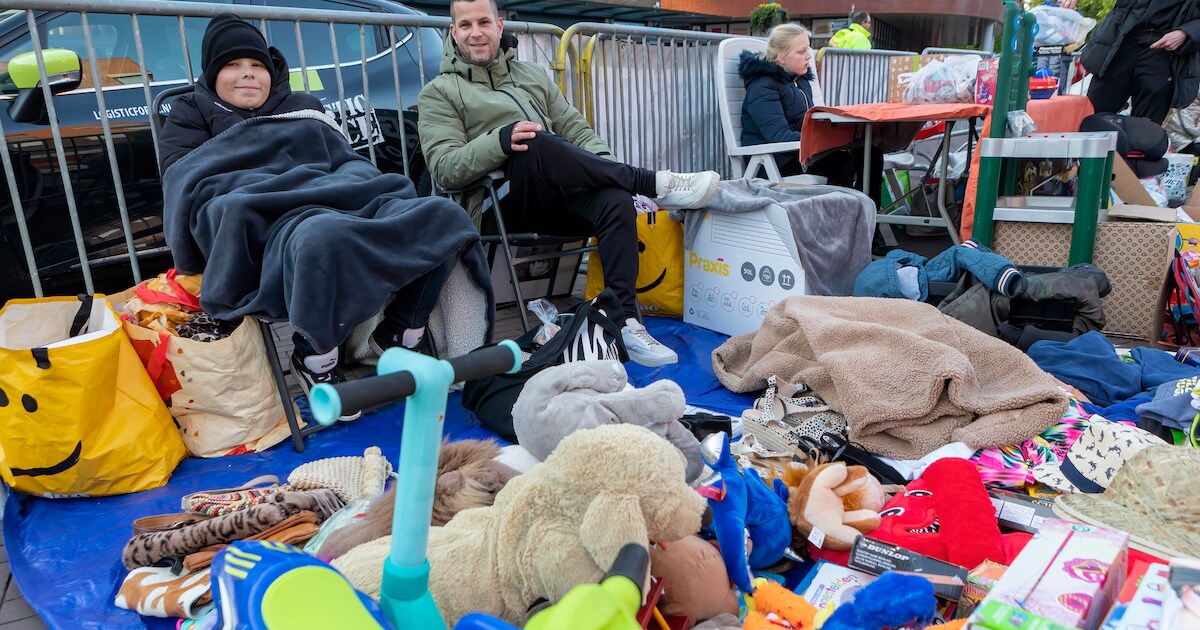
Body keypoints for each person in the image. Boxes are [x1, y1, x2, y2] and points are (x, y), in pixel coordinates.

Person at [161, 14, 488, 420]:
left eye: (257, 66)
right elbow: (190, 184)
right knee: (321, 237)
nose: (247, 75)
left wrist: (351, 183)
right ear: (213, 74)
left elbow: (343, 160)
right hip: (271, 219)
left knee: (442, 215)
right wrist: (258, 195)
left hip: (339, 196)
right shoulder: (190, 113)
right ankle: (315, 357)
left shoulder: (302, 107)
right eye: (232, 66)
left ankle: (402, 332)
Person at [418, 0, 722, 368]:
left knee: (612, 199)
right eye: (465, 25)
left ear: (499, 26)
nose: (476, 32)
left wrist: (607, 169)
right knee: (536, 141)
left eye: (483, 22)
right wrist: (500, 140)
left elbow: (577, 130)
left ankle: (623, 321)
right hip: (497, 203)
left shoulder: (532, 75)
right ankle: (650, 182)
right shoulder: (439, 92)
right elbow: (444, 167)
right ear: (453, 32)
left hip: (556, 195)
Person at [738, 23, 883, 206]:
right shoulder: (763, 86)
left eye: (808, 49)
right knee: (843, 162)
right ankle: (835, 224)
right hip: (774, 160)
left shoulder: (799, 81)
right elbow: (778, 137)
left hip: (798, 153)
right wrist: (826, 142)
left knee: (869, 153)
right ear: (782, 58)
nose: (809, 56)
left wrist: (837, 137)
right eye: (801, 51)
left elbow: (808, 124)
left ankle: (869, 221)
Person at [1066, 0, 1200, 124]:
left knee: (1146, 129)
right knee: (1092, 119)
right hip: (1121, 43)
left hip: (1165, 53)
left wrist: (1186, 33)